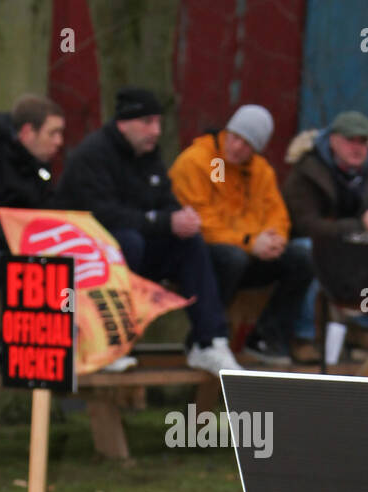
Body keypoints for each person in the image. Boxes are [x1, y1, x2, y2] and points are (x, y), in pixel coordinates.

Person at [56, 86, 241, 374]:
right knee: (126, 241)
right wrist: (164, 222)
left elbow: (164, 201)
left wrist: (181, 217)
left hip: (138, 255)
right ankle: (106, 342)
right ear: (123, 122)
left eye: (158, 122)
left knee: (190, 243)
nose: (155, 130)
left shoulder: (150, 155)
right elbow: (102, 216)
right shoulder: (92, 156)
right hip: (87, 259)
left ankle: (209, 342)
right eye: (147, 122)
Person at [168, 104, 313, 365]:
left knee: (302, 258)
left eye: (247, 144)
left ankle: (267, 337)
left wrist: (276, 238)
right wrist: (249, 242)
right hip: (204, 257)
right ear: (227, 131)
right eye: (235, 138)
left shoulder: (261, 171)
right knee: (232, 257)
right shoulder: (198, 162)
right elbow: (201, 222)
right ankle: (206, 336)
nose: (237, 148)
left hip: (249, 253)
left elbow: (276, 213)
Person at [281, 111, 368, 362]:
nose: (357, 147)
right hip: (308, 243)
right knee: (310, 254)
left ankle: (361, 327)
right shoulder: (306, 171)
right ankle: (302, 337)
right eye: (350, 140)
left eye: (363, 142)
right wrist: (358, 225)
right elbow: (305, 225)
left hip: (353, 245)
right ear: (333, 140)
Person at [0, 93, 64, 210]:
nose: (59, 141)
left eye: (60, 133)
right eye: (52, 133)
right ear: (27, 132)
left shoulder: (38, 161)